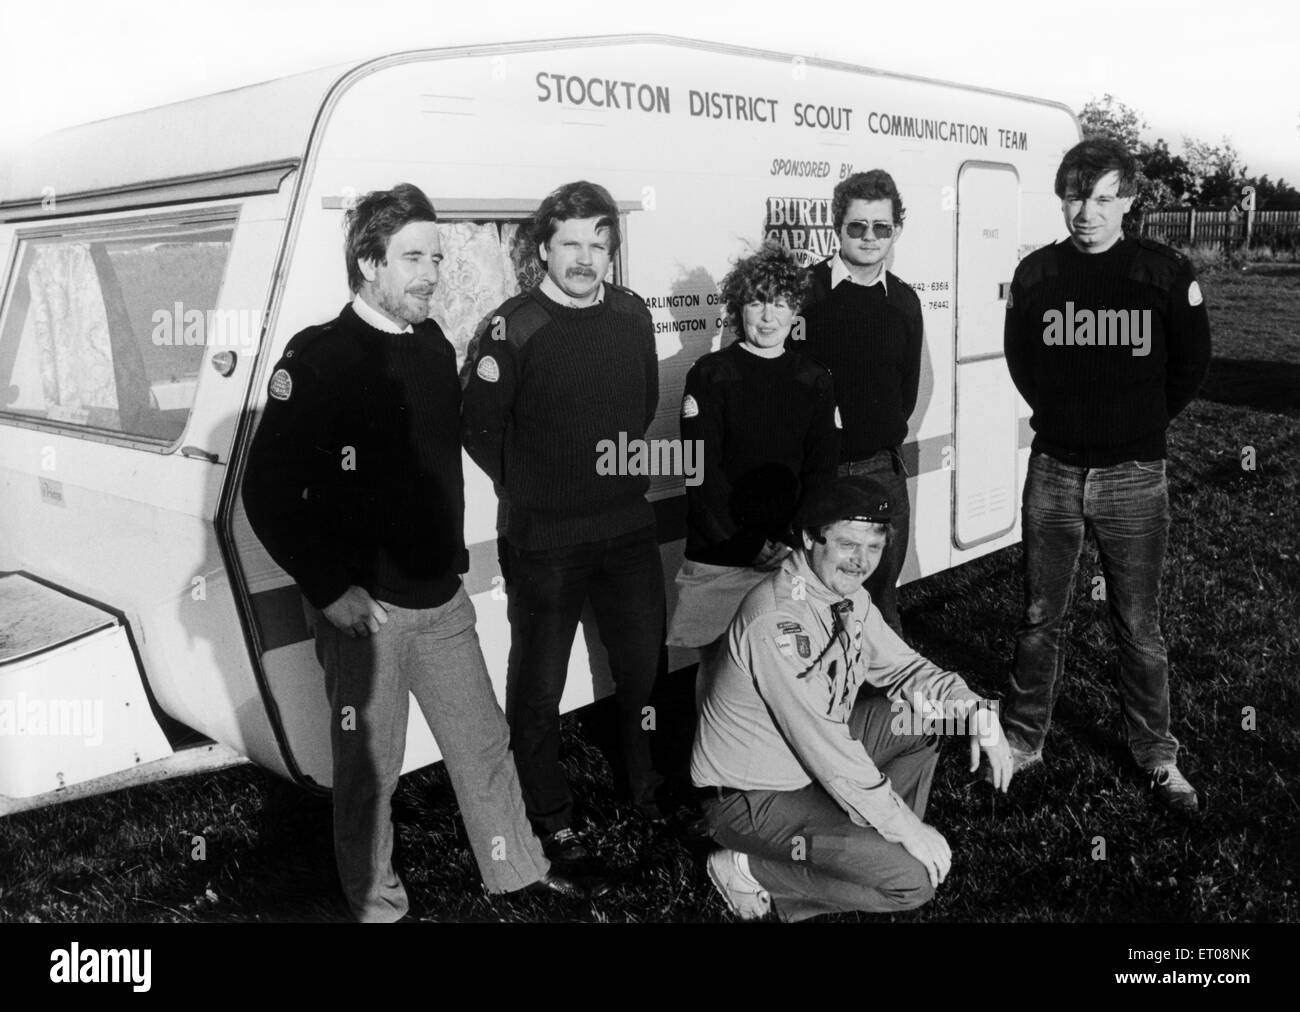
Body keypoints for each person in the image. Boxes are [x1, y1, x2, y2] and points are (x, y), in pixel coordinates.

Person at [242, 183, 600, 922]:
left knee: (484, 746)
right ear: (369, 262)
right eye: (413, 257)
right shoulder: (317, 359)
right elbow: (267, 493)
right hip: (364, 617)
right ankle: (377, 904)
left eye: (436, 257)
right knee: (369, 774)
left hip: (440, 601)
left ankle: (519, 870)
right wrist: (330, 589)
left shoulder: (433, 344)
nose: (432, 272)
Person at [1001, 138, 1212, 814]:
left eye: (1102, 198)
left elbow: (1190, 367)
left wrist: (1136, 425)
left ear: (1127, 203)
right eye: (1074, 196)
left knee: (1139, 624)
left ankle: (1156, 754)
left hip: (1133, 476)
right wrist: (1065, 418)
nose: (1085, 212)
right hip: (1054, 473)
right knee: (1039, 617)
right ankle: (1023, 740)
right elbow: (1022, 364)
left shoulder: (1164, 274)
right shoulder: (1035, 276)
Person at [693, 477, 1011, 921]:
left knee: (926, 718)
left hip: (806, 763)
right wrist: (906, 828)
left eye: (874, 547)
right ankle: (749, 867)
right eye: (847, 545)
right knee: (911, 882)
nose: (861, 562)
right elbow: (825, 746)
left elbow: (906, 670)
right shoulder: (778, 621)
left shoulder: (844, 595)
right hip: (751, 797)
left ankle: (866, 834)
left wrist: (977, 713)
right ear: (808, 537)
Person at [461, 180, 665, 872]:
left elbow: (641, 402)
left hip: (627, 530)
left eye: (598, 244)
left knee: (643, 667)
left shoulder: (633, 316)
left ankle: (646, 784)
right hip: (544, 542)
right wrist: (533, 486)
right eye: (571, 243)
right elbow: (480, 428)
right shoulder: (512, 328)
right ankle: (550, 815)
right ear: (544, 247)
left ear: (611, 249)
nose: (585, 257)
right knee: (539, 684)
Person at [668, 240, 839, 669]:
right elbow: (701, 472)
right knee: (719, 678)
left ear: (795, 309)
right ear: (737, 307)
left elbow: (822, 473)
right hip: (722, 555)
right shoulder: (710, 375)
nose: (768, 316)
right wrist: (748, 545)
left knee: (791, 670)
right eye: (757, 301)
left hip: (789, 558)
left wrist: (790, 542)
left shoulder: (814, 379)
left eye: (780, 303)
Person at [801, 169, 923, 636]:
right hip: (818, 473)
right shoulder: (804, 294)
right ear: (837, 228)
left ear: (896, 230)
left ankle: (880, 707)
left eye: (882, 227)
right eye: (857, 226)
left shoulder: (905, 303)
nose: (870, 237)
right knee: (812, 605)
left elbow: (904, 393)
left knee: (881, 604)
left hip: (881, 474)